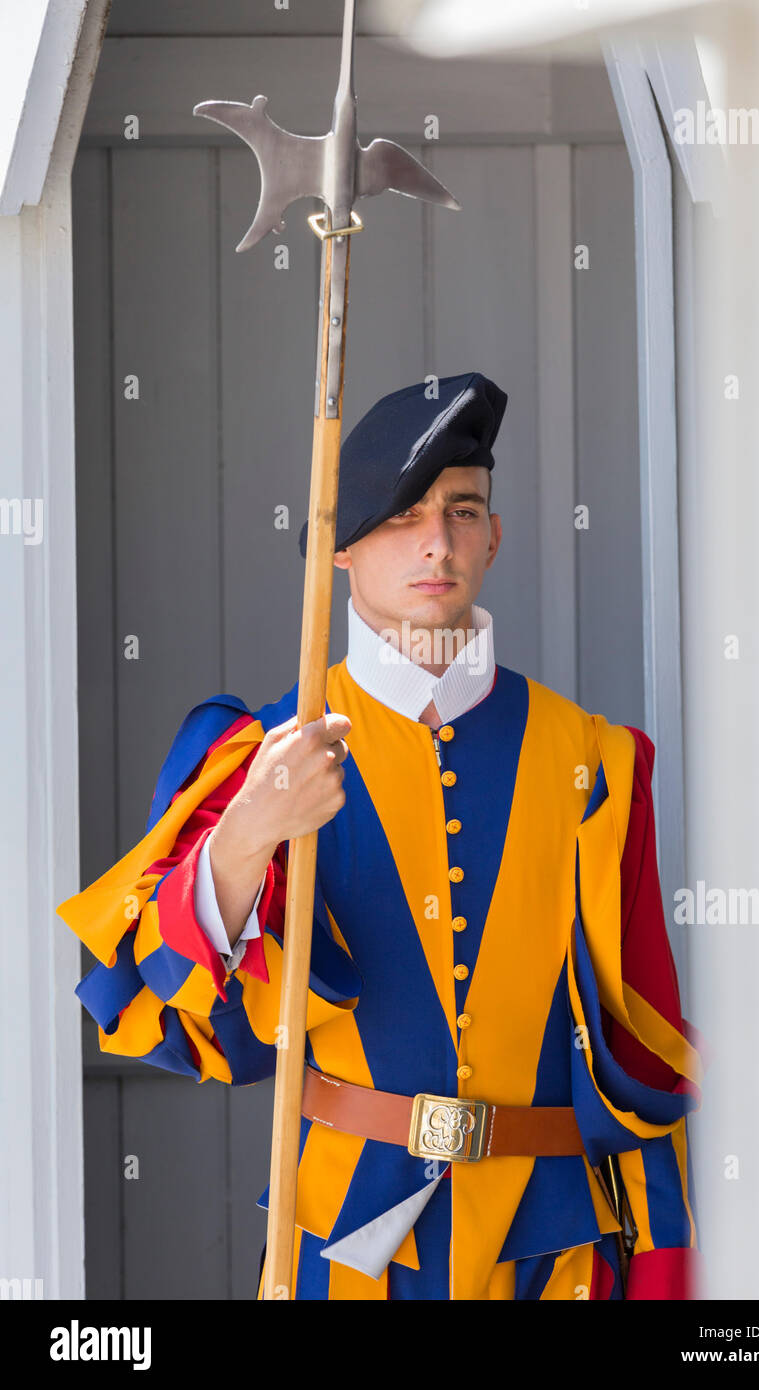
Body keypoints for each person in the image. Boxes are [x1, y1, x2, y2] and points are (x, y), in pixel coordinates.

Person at [57, 371, 704, 1301]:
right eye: (402, 516)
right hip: (351, 1255)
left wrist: (666, 1277)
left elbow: (644, 1064)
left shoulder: (597, 766)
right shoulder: (255, 758)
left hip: (556, 1257)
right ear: (341, 548)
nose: (436, 541)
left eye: (462, 509)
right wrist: (246, 837)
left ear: (494, 536)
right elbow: (183, 1026)